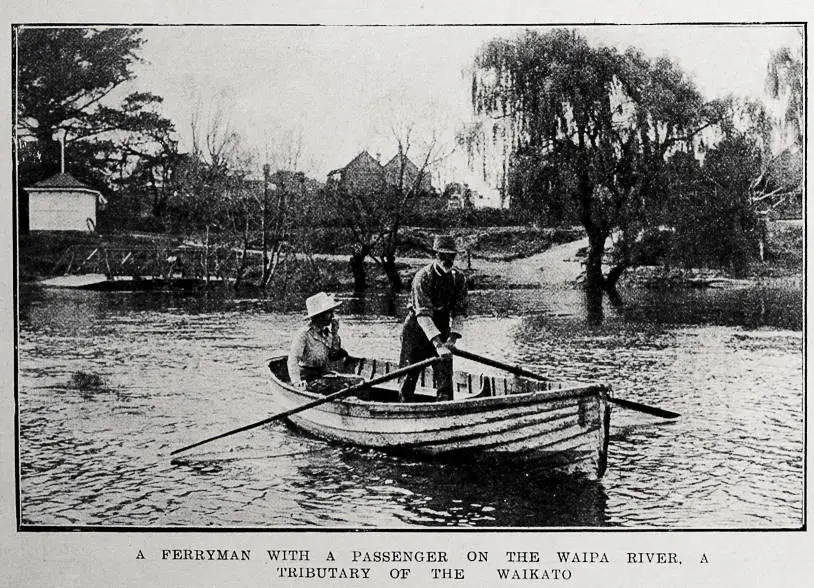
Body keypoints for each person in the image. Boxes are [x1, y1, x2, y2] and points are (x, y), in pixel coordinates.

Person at [398, 235, 468, 402]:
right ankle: (404, 404)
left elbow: (460, 312)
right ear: (436, 255)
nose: (447, 259)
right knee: (409, 374)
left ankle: (444, 406)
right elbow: (423, 315)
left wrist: (451, 340)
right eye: (443, 255)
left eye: (451, 255)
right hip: (416, 329)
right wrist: (437, 345)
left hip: (442, 327)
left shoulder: (459, 278)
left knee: (444, 374)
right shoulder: (423, 277)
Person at [287, 292, 351, 392]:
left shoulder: (327, 333)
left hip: (323, 376)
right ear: (319, 316)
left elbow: (334, 354)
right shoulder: (304, 334)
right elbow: (293, 360)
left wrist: (335, 333)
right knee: (338, 388)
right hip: (308, 379)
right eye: (329, 313)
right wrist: (297, 383)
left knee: (355, 382)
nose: (332, 316)